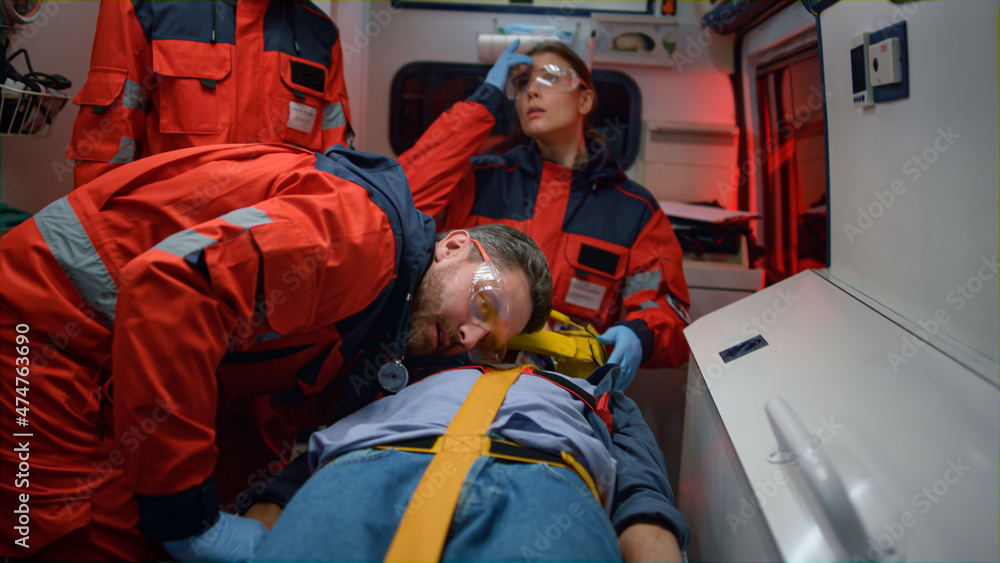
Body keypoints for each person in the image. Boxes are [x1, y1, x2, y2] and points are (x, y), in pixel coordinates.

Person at [0, 142, 552, 561]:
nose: (471, 339)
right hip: (37, 334)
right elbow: (173, 288)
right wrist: (185, 516)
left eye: (491, 340)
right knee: (69, 541)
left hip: (107, 364)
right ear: (453, 245)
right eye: (484, 308)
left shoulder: (389, 307)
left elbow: (261, 372)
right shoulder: (360, 241)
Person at [399, 41, 693, 389]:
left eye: (550, 78)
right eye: (521, 84)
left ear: (584, 100)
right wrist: (483, 103)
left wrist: (640, 333)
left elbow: (669, 313)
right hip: (454, 376)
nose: (532, 91)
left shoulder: (632, 210)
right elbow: (398, 203)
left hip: (561, 392)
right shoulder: (480, 179)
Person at [241, 363, 690, 561]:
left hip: (540, 486)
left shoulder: (595, 392)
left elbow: (641, 492)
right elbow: (310, 458)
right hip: (360, 471)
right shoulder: (400, 374)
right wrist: (261, 519)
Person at [66, 0, 353, 188]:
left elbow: (336, 168)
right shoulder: (141, 6)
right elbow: (107, 146)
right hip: (167, 255)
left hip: (276, 256)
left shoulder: (321, 33)